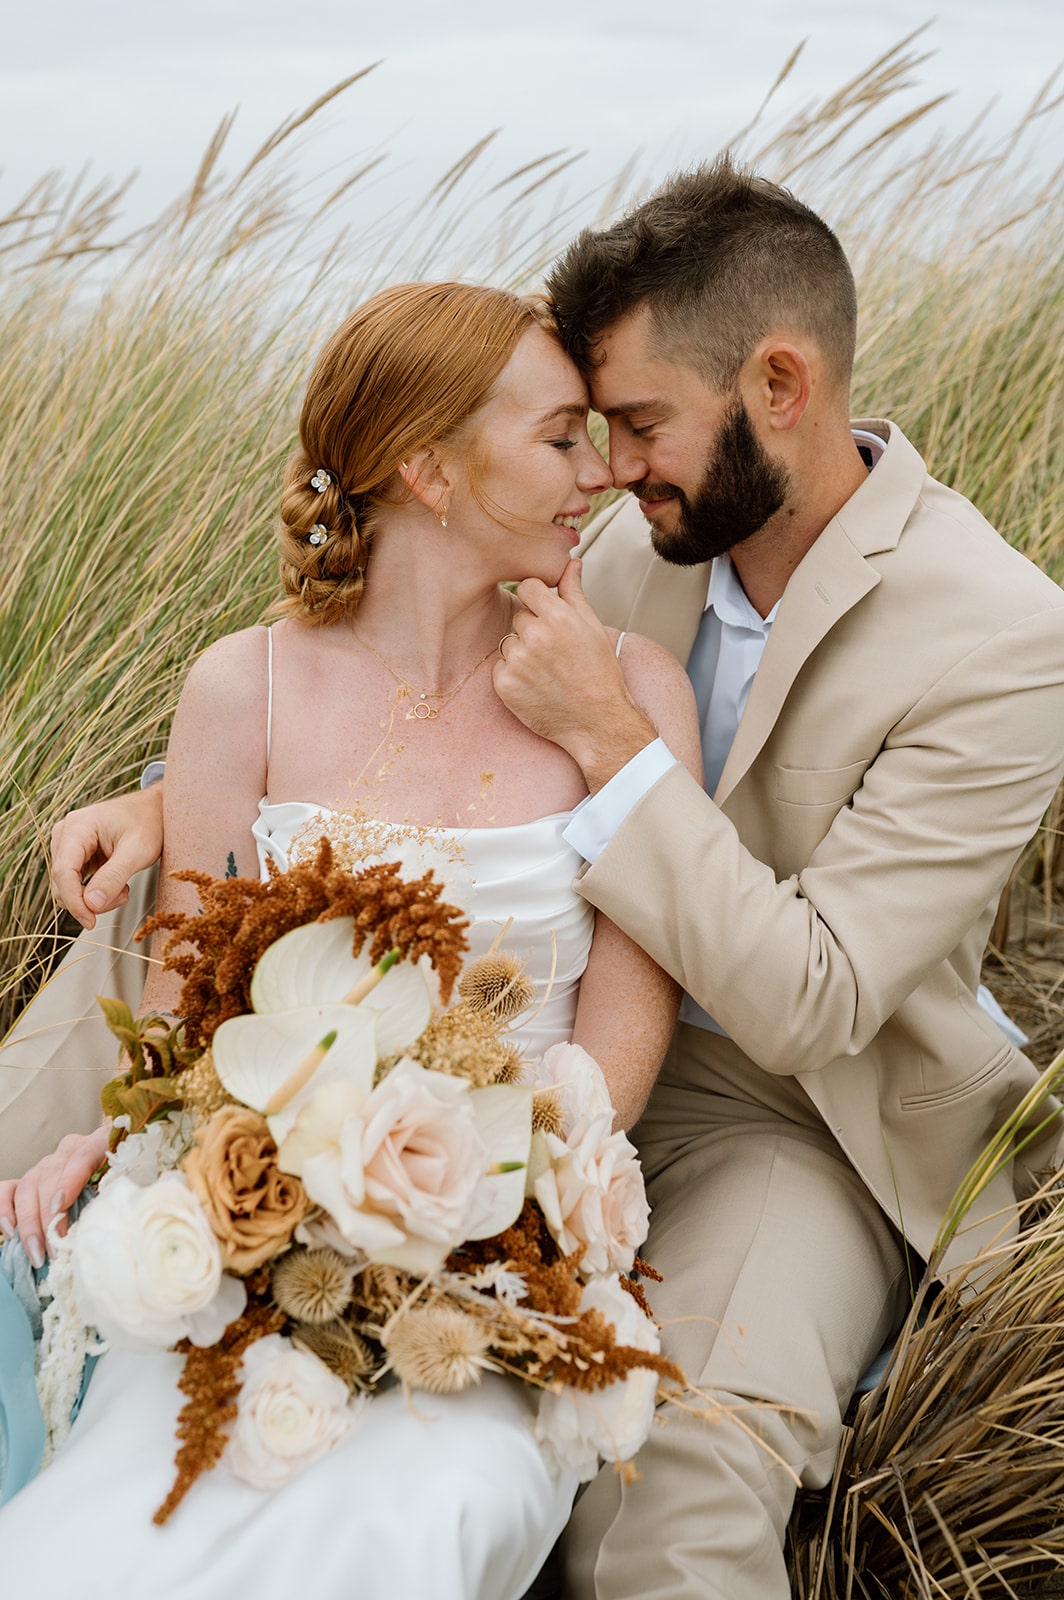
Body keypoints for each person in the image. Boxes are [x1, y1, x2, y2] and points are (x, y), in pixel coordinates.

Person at [12, 158, 1064, 1599]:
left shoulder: (1005, 639)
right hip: (496, 1019)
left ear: (779, 384)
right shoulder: (635, 533)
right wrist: (174, 794)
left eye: (637, 425)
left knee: (680, 1488)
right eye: (594, 432)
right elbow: (410, 711)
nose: (614, 470)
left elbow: (812, 1000)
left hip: (780, 1102)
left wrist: (615, 747)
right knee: (139, 926)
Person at [0, 279, 702, 1599]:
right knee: (136, 1522)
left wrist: (497, 1207)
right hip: (248, 1246)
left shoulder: (627, 693)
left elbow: (627, 1008)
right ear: (425, 468)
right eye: (560, 439)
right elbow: (191, 988)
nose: (598, 474)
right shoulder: (242, 685)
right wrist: (131, 1136)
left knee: (423, 1512)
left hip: (502, 1264)